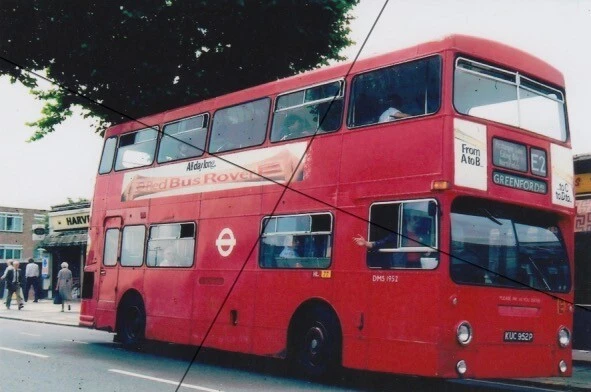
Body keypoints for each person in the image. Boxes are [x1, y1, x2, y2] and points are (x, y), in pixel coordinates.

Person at [353, 212, 430, 267]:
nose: (417, 220)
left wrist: (426, 252)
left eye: (419, 218)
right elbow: (383, 242)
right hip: (404, 266)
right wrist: (366, 243)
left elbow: (422, 252)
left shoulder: (421, 235)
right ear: (408, 218)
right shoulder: (399, 234)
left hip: (417, 266)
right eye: (415, 217)